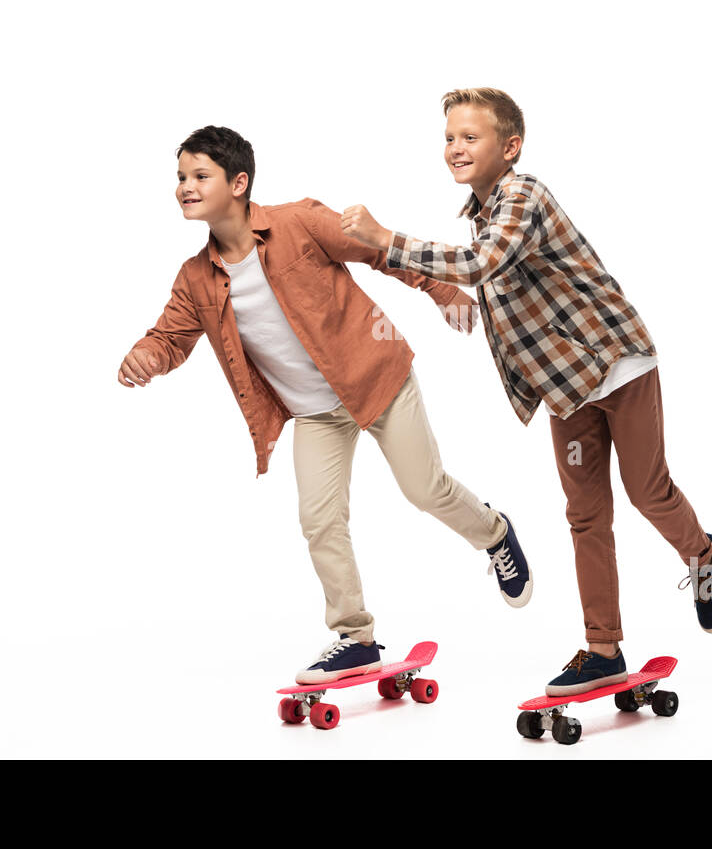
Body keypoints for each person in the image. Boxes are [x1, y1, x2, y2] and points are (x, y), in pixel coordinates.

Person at [339, 88, 712, 696]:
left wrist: (386, 238)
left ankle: (702, 555)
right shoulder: (479, 213)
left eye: (471, 136)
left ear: (510, 147)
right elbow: (479, 272)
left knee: (646, 490)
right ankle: (603, 649)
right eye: (448, 137)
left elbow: (481, 263)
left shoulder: (524, 194)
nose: (455, 147)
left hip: (617, 365)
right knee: (584, 516)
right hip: (564, 391)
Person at [117, 125, 532, 685]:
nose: (184, 188)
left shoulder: (298, 222)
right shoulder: (196, 278)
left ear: (238, 183)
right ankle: (355, 636)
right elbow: (170, 337)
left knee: (423, 488)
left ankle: (494, 533)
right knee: (319, 519)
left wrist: (440, 290)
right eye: (180, 178)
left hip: (376, 378)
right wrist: (145, 356)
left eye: (199, 176)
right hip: (314, 411)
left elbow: (375, 249)